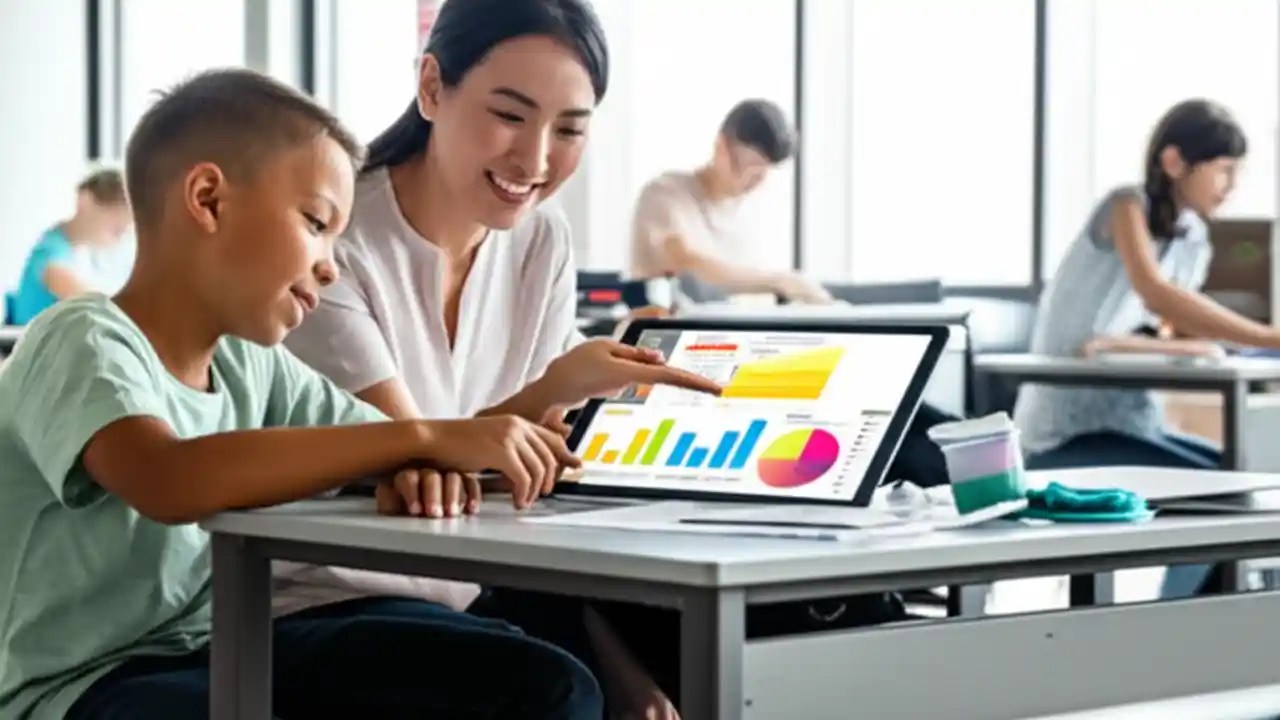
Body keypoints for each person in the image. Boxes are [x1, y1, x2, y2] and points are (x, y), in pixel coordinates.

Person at [0, 68, 608, 720]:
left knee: (546, 685)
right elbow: (166, 478)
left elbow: (387, 442)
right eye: (317, 223)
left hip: (233, 645)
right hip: (89, 685)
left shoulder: (256, 367)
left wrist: (433, 452)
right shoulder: (81, 337)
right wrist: (417, 440)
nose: (331, 264)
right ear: (207, 199)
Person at [281, 1, 719, 717]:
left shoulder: (541, 241)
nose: (537, 159)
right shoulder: (337, 240)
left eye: (570, 129)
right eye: (510, 116)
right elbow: (411, 457)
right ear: (431, 88)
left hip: (472, 588)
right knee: (551, 690)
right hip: (323, 597)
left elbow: (519, 479)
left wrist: (619, 664)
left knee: (718, 644)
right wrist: (557, 384)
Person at [1013, 99, 1276, 598]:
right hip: (1066, 431)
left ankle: (1218, 623)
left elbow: (1169, 324)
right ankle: (1177, 630)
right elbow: (1158, 293)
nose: (1231, 186)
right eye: (1222, 170)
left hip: (1130, 421)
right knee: (1229, 492)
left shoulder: (1194, 235)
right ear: (1175, 162)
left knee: (1251, 482)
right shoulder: (1125, 205)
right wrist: (1266, 337)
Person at [628, 99, 831, 306]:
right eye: (751, 168)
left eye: (764, 172)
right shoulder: (666, 194)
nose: (757, 182)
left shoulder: (751, 214)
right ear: (721, 148)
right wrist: (778, 281)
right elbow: (684, 262)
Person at [6, 169, 132, 324]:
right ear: (85, 203)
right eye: (116, 229)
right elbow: (100, 308)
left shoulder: (79, 252)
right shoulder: (52, 256)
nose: (121, 238)